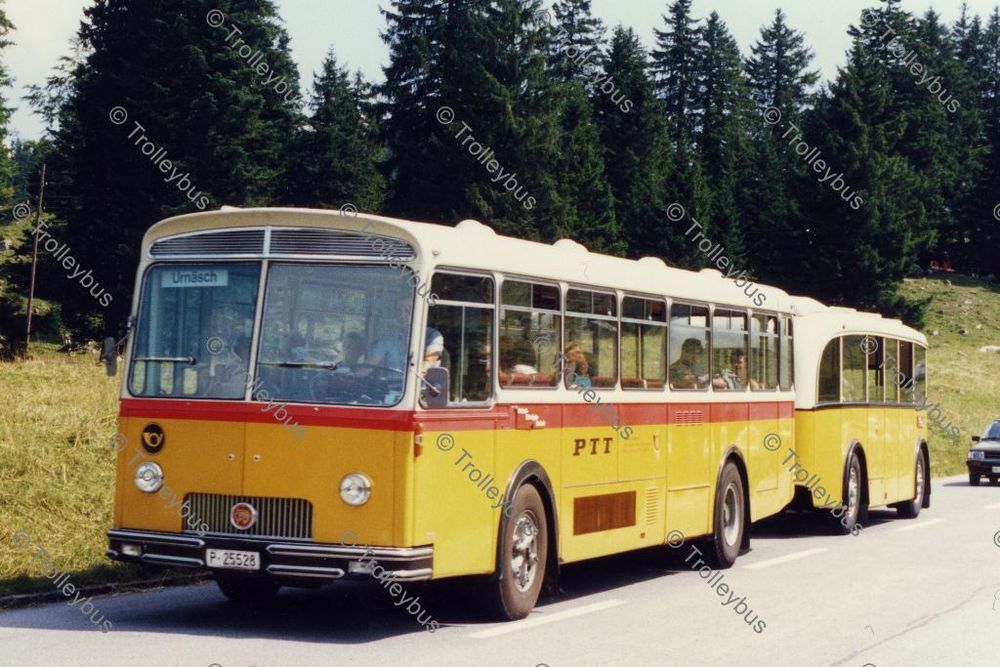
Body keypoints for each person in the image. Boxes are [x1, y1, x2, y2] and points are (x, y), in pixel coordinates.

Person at [370, 296, 412, 371]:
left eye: (408, 311)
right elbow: (371, 364)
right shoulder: (388, 339)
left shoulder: (431, 337)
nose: (402, 315)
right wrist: (352, 375)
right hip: (389, 382)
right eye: (399, 311)